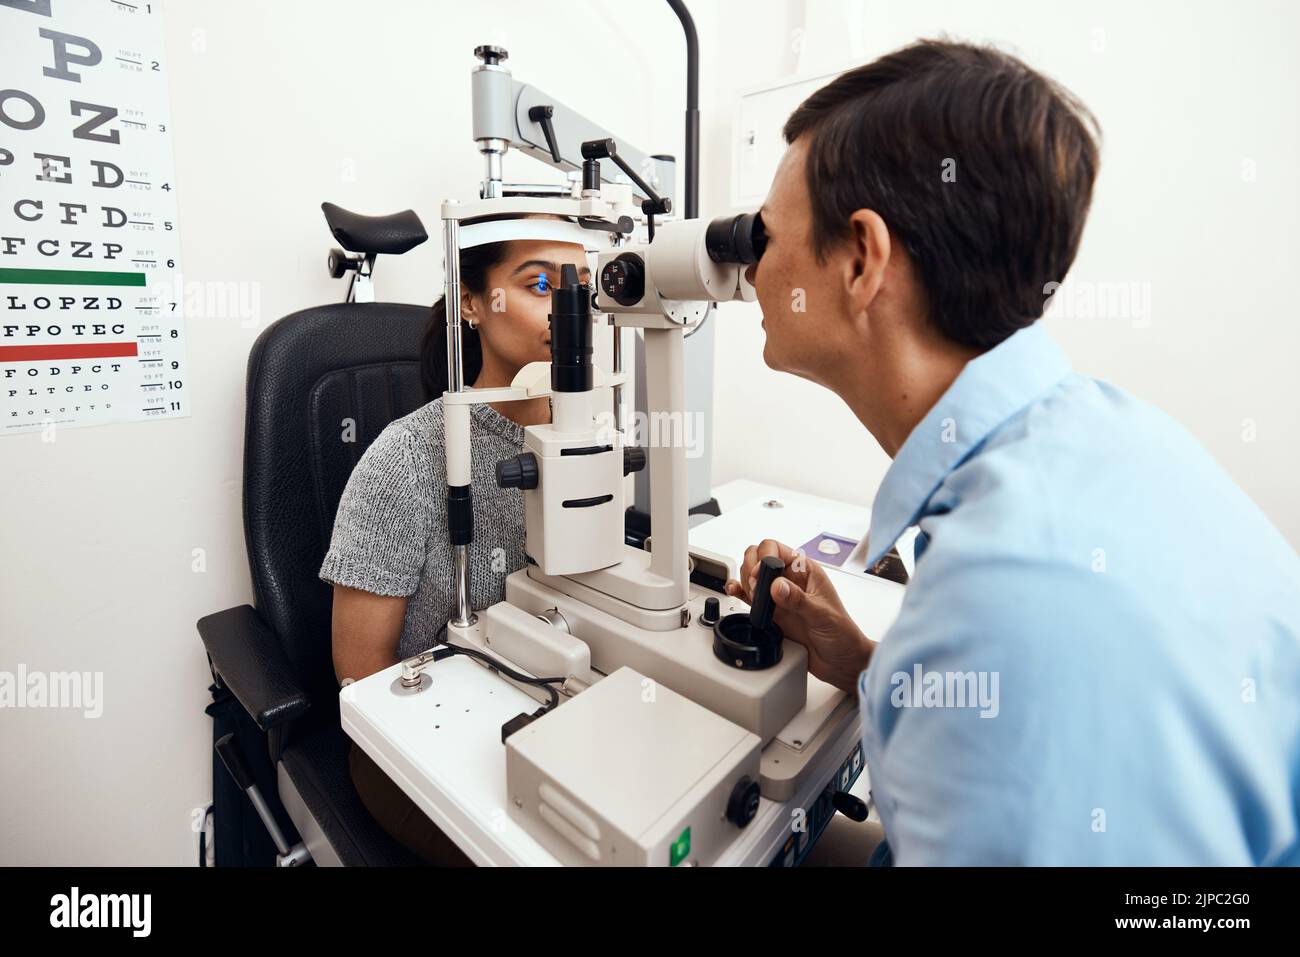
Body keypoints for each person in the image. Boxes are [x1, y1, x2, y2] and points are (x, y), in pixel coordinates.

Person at [727, 40, 1300, 865]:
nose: (751, 268)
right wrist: (870, 664)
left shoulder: (1010, 602)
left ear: (860, 259)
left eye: (765, 235)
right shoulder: (1094, 436)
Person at [319, 216, 589, 865]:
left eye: (580, 285)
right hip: (412, 750)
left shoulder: (591, 440)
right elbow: (362, 676)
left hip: (551, 707)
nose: (569, 309)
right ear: (473, 301)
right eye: (541, 283)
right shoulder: (404, 462)